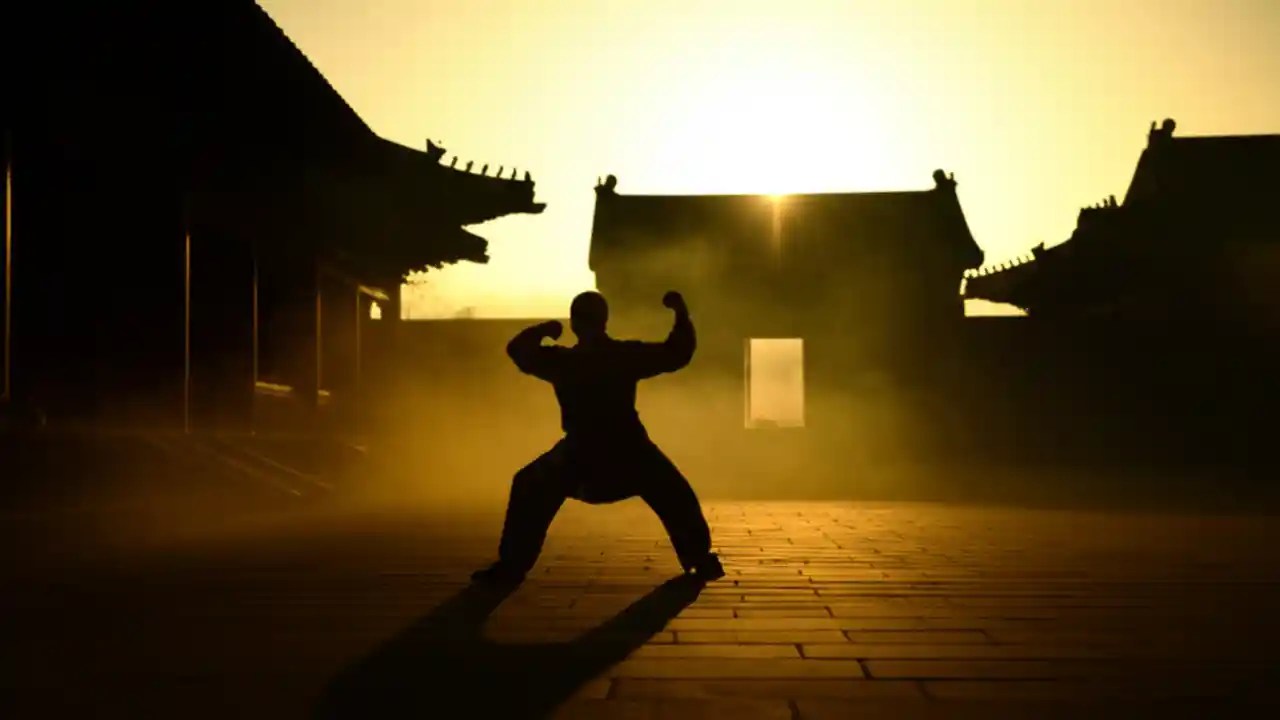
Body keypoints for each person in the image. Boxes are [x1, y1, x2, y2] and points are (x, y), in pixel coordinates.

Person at [471, 290, 724, 585]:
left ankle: (510, 567)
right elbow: (677, 353)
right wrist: (680, 313)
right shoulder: (623, 356)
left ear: (574, 324)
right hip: (629, 451)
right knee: (675, 493)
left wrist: (544, 330)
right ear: (604, 321)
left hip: (579, 455)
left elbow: (517, 350)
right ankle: (699, 559)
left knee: (529, 483)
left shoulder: (563, 361)